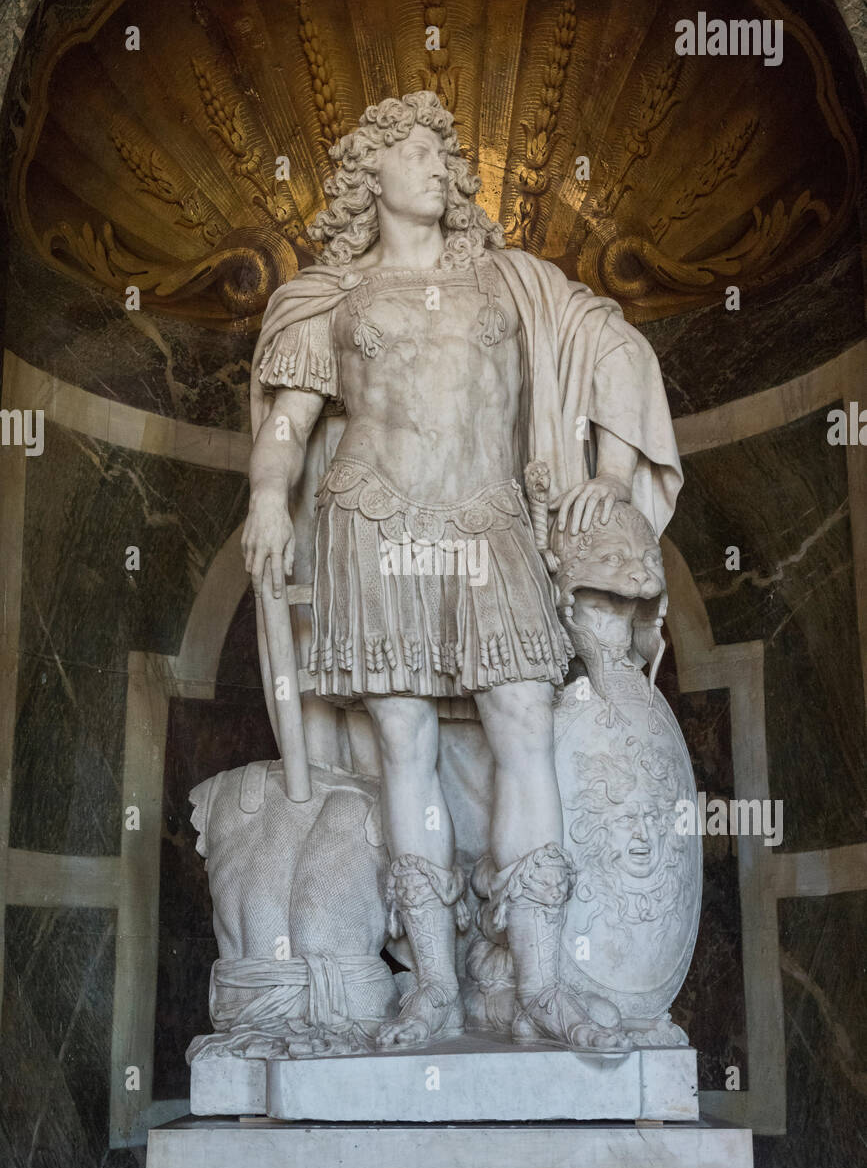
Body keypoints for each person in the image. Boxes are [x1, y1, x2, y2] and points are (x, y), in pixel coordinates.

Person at [242, 91, 682, 1050]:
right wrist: (270, 496)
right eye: (413, 151)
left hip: (488, 521)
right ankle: (433, 990)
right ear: (370, 177)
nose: (436, 165)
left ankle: (542, 987)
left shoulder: (511, 283)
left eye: (444, 151)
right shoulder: (330, 296)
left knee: (521, 720)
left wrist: (607, 479)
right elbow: (288, 423)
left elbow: (609, 343)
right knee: (403, 745)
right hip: (373, 520)